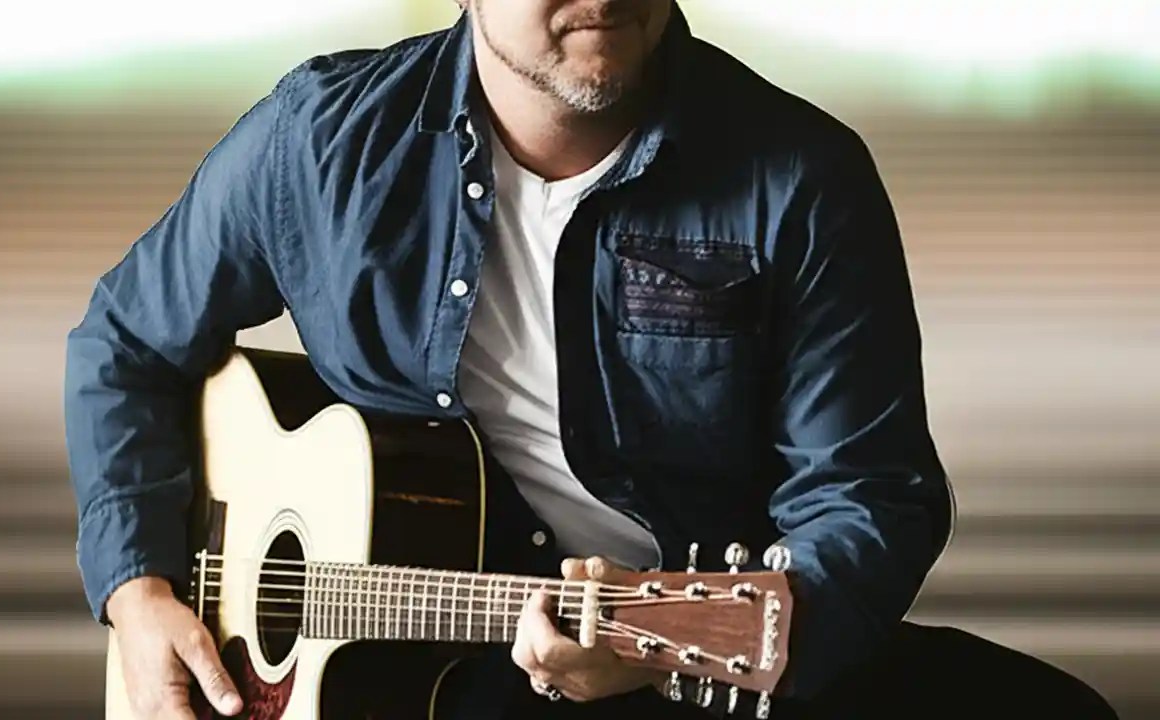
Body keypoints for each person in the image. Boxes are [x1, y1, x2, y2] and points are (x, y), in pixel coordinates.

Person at [63, 1, 1120, 718]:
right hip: (407, 678)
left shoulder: (800, 177)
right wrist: (139, 593)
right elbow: (125, 342)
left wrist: (664, 652)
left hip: (679, 654)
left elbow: (868, 497)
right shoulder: (318, 140)